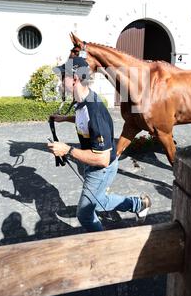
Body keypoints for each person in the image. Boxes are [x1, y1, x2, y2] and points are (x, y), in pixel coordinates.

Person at [47, 57, 151, 232]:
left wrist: (67, 150)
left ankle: (102, 245)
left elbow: (102, 159)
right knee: (99, 200)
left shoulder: (94, 110)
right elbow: (84, 121)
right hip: (95, 165)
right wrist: (64, 118)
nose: (60, 81)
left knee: (84, 214)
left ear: (74, 79)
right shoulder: (83, 100)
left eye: (62, 76)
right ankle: (139, 204)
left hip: (101, 168)